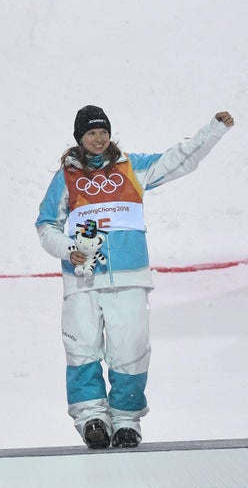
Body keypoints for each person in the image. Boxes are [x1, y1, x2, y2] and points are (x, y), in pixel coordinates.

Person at [36, 104, 235, 449]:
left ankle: (127, 421)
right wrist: (70, 249)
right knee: (81, 350)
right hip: (82, 280)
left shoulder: (133, 168)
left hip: (129, 277)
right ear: (79, 138)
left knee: (130, 352)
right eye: (90, 133)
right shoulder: (65, 177)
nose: (98, 139)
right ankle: (91, 419)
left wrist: (213, 129)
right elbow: (45, 225)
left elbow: (180, 159)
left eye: (102, 132)